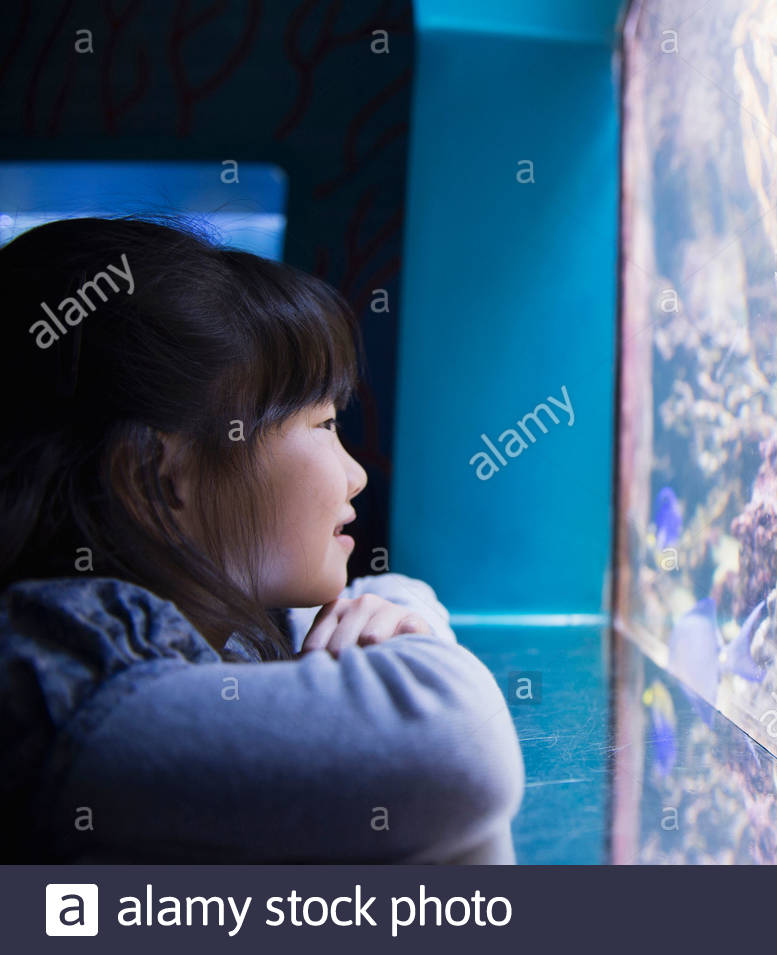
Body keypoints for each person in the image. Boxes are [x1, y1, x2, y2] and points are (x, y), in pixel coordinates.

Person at [0, 215, 524, 863]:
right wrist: (407, 626)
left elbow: (394, 596)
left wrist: (394, 611)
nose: (357, 473)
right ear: (158, 479)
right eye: (325, 423)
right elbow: (457, 746)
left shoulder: (223, 623)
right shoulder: (71, 693)